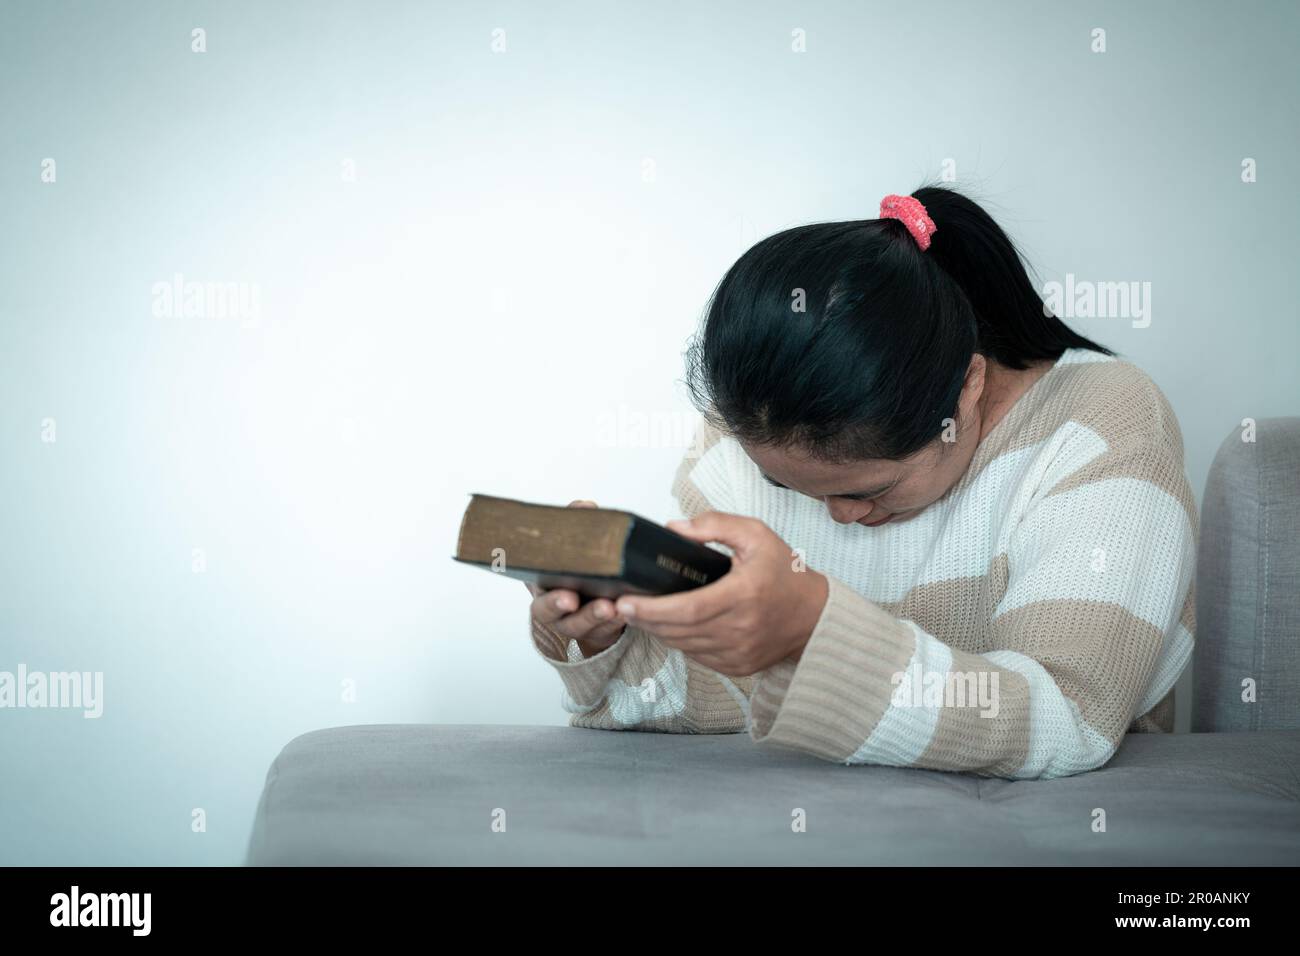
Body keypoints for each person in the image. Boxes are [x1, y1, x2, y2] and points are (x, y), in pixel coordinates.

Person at [526, 186, 1196, 780]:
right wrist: (614, 637)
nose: (839, 518)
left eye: (869, 488)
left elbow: (1069, 719)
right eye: (785, 487)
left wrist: (811, 631)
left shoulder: (1102, 420)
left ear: (967, 390)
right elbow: (736, 700)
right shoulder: (746, 431)